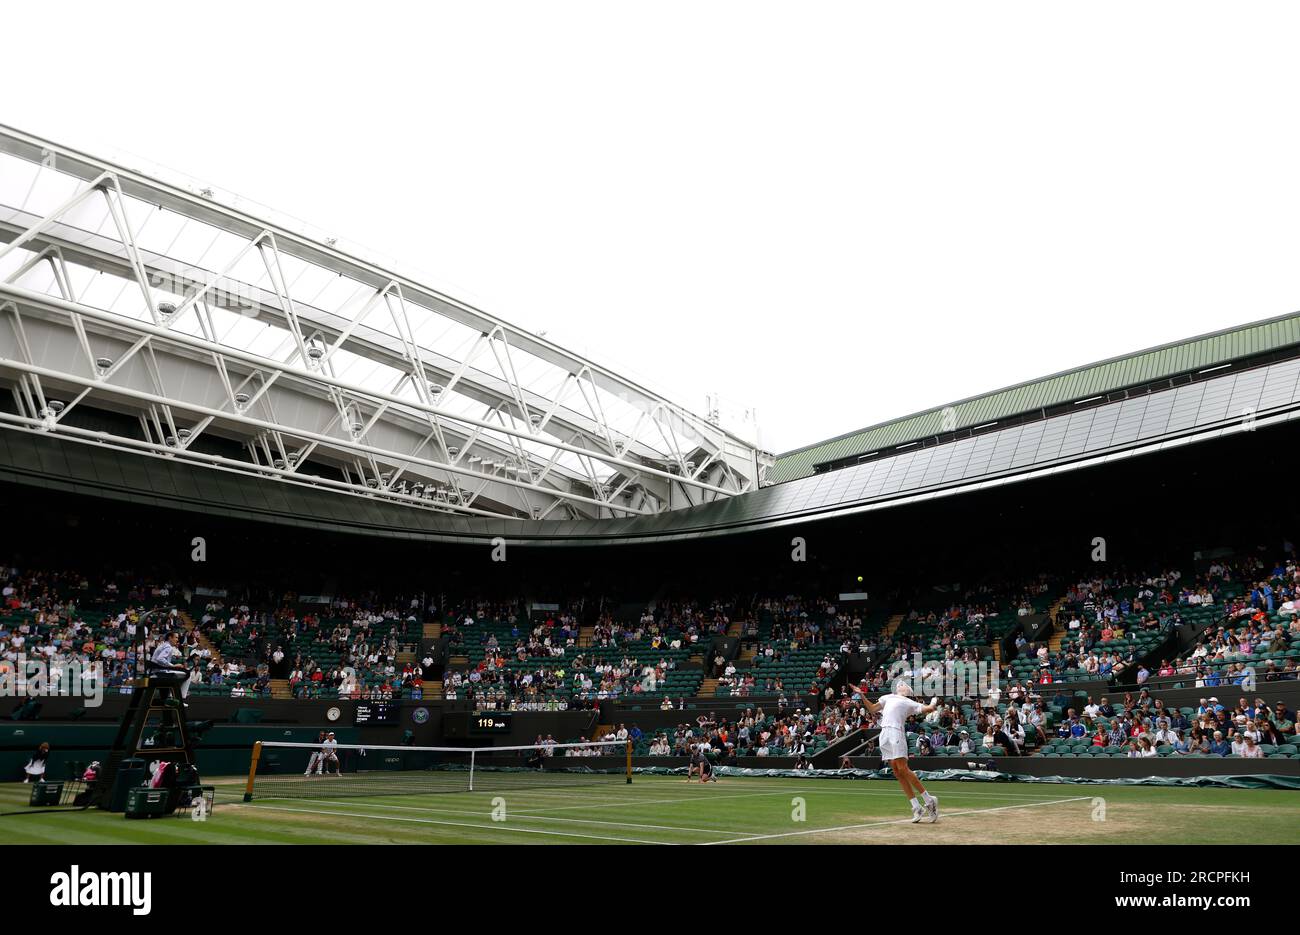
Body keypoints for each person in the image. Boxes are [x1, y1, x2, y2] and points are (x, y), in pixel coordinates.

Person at [849, 678, 941, 823]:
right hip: (884, 734)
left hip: (896, 732)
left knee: (903, 769)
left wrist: (934, 701)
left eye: (904, 684)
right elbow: (872, 709)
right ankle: (916, 807)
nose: (901, 684)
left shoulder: (909, 702)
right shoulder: (887, 697)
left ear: (907, 691)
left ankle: (929, 800)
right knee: (897, 772)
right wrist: (861, 694)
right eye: (900, 684)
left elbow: (929, 709)